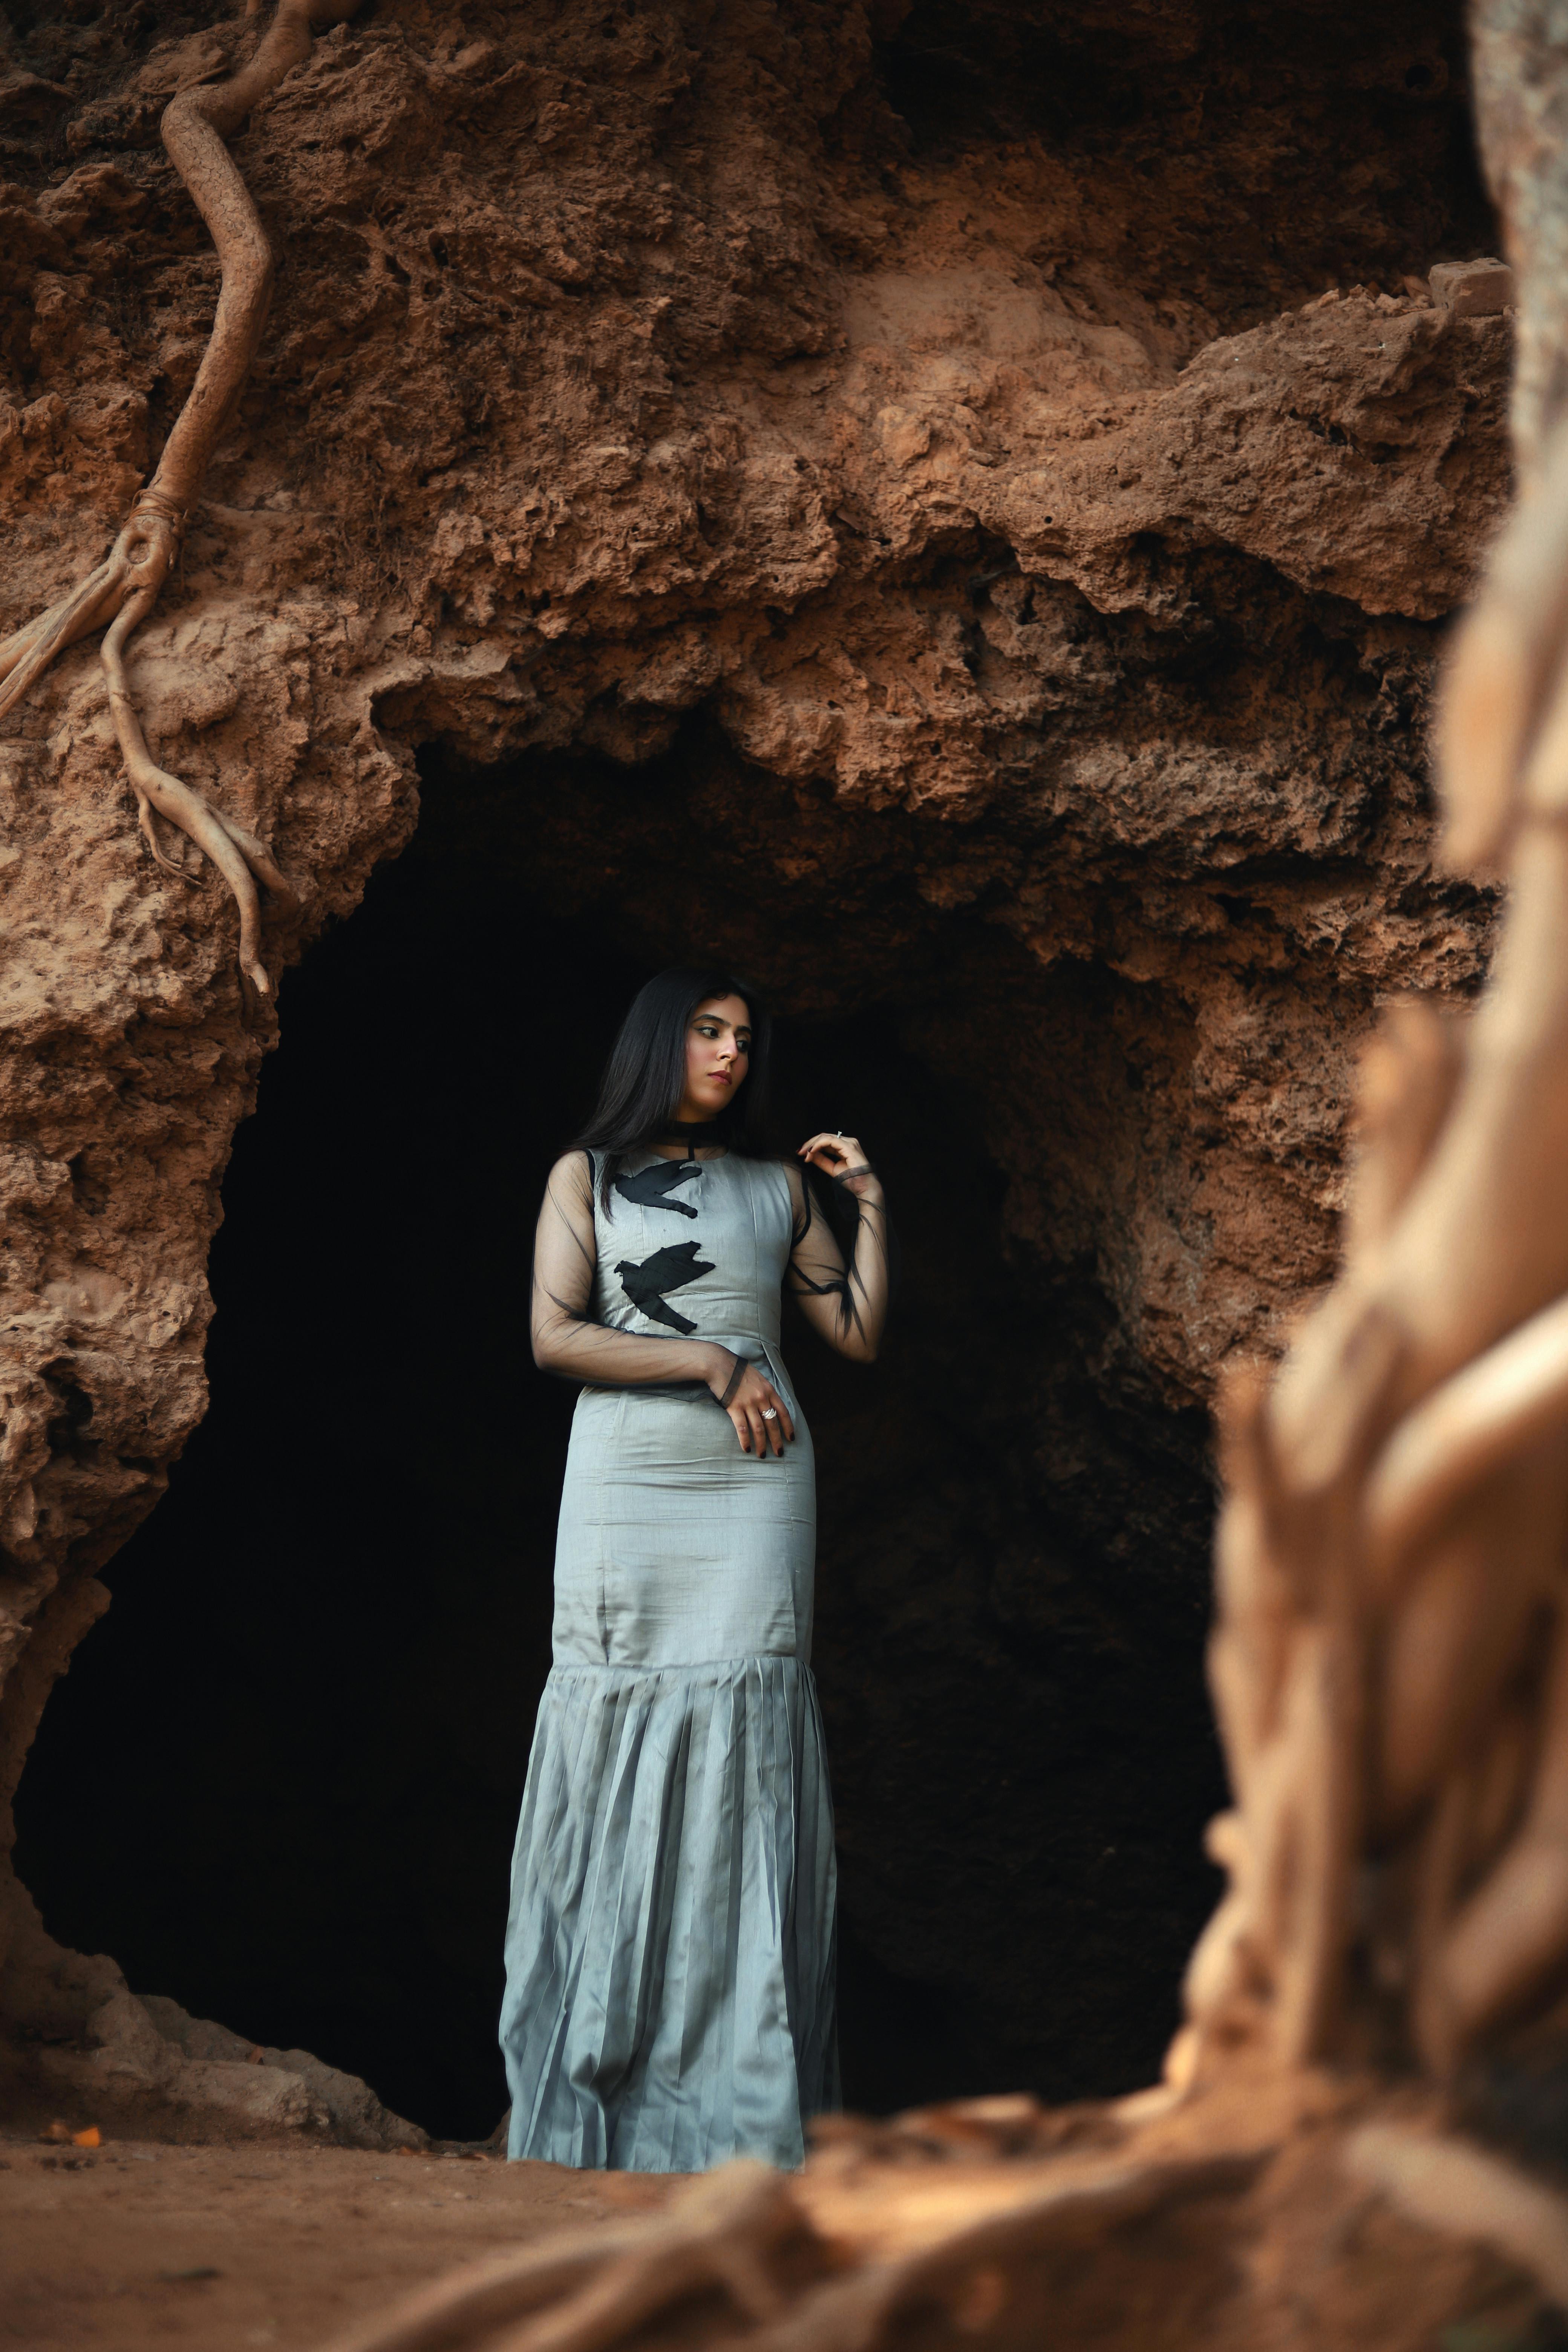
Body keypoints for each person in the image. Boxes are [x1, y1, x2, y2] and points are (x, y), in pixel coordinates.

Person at [498, 968, 890, 2171]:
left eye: (743, 1038)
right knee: (614, 1712)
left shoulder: (781, 1189)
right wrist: (714, 1364)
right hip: (629, 1476)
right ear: (660, 1043)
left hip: (757, 1485)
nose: (730, 1053)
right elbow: (554, 1334)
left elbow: (857, 1333)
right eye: (709, 1032)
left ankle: (737, 2100)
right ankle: (588, 2085)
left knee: (748, 1725)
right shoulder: (588, 1176)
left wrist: (868, 1203)